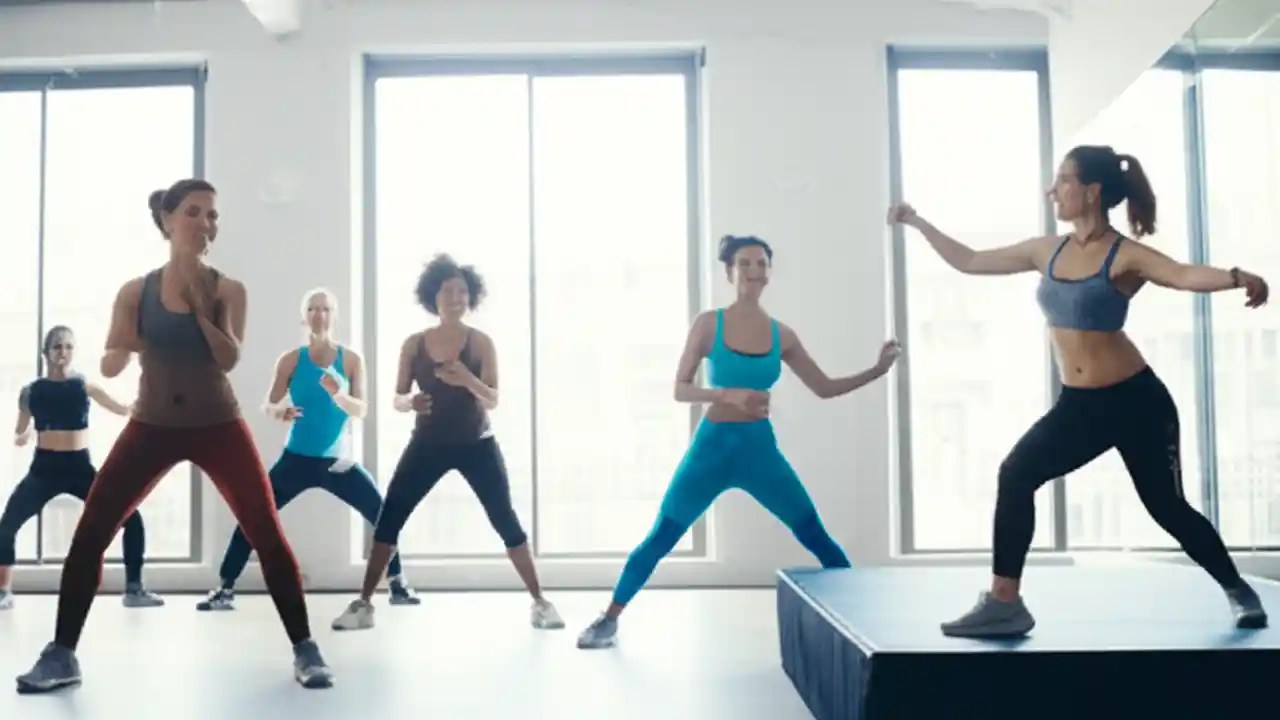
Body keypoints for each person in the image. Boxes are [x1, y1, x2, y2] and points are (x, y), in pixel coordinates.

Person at [887, 144, 1270, 638]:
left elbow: (1180, 274)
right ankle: (1005, 603)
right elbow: (972, 260)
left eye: (1063, 181)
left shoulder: (1124, 254)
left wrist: (1235, 277)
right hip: (1081, 405)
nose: (1053, 190)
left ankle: (1239, 590)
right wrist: (919, 223)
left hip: (1138, 403)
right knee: (1017, 473)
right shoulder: (1048, 249)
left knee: (1166, 507)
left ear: (1091, 191)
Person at [15, 179, 333, 694]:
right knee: (92, 531)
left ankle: (306, 648)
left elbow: (228, 358)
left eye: (213, 215)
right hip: (152, 426)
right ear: (167, 221)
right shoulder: (134, 292)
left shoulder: (229, 290)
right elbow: (112, 361)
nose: (206, 224)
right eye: (194, 212)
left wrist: (198, 308)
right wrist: (126, 343)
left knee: (266, 531)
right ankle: (62, 653)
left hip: (218, 425)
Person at [576, 235, 901, 650]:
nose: (753, 270)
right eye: (744, 263)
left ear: (769, 272)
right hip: (712, 449)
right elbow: (680, 389)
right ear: (729, 272)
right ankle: (608, 619)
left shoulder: (782, 335)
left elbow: (824, 387)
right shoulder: (709, 324)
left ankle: (865, 620)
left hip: (759, 452)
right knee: (662, 534)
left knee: (813, 531)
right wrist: (726, 395)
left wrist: (878, 369)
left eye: (761, 263)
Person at [330, 253, 563, 632]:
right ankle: (363, 604)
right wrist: (411, 403)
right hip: (427, 445)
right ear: (432, 297)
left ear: (470, 298)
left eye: (462, 291)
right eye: (448, 291)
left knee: (505, 520)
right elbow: (397, 398)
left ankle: (540, 601)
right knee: (390, 519)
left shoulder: (482, 343)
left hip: (477, 445)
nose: (456, 297)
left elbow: (493, 399)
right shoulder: (414, 345)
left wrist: (466, 379)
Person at [196, 288, 419, 611]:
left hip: (337, 463)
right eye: (313, 309)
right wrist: (280, 412)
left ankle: (397, 584)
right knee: (253, 514)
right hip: (296, 460)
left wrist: (339, 394)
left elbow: (361, 410)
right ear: (305, 316)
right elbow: (268, 405)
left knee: (383, 515)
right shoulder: (290, 360)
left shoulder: (351, 360)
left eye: (325, 308)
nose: (319, 314)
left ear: (334, 315)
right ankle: (224, 588)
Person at [0, 326, 163, 611]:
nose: (62, 352)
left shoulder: (84, 386)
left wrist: (150, 399)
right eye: (57, 347)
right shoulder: (31, 392)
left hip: (79, 469)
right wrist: (22, 436)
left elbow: (122, 408)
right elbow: (20, 430)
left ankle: (134, 589)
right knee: (7, 525)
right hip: (44, 471)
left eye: (68, 347)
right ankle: (3, 591)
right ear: (46, 352)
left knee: (131, 518)